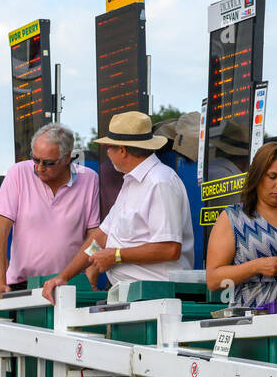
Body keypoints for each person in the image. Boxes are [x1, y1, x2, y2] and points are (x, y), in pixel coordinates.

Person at [42, 111, 193, 300]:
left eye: (109, 147)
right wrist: (64, 276)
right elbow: (101, 237)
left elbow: (169, 249)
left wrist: (116, 256)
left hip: (157, 297)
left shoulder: (160, 181)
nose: (107, 153)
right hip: (136, 295)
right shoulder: (132, 182)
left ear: (122, 150)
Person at [0, 123, 100, 311]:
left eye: (48, 162)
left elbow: (95, 236)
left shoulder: (90, 179)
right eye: (35, 159)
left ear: (67, 157)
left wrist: (91, 275)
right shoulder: (18, 173)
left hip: (68, 288)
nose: (39, 168)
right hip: (22, 287)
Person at [205, 142, 277, 309]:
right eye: (272, 176)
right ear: (257, 176)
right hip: (251, 326)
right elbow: (213, 280)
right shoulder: (233, 218)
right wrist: (256, 266)